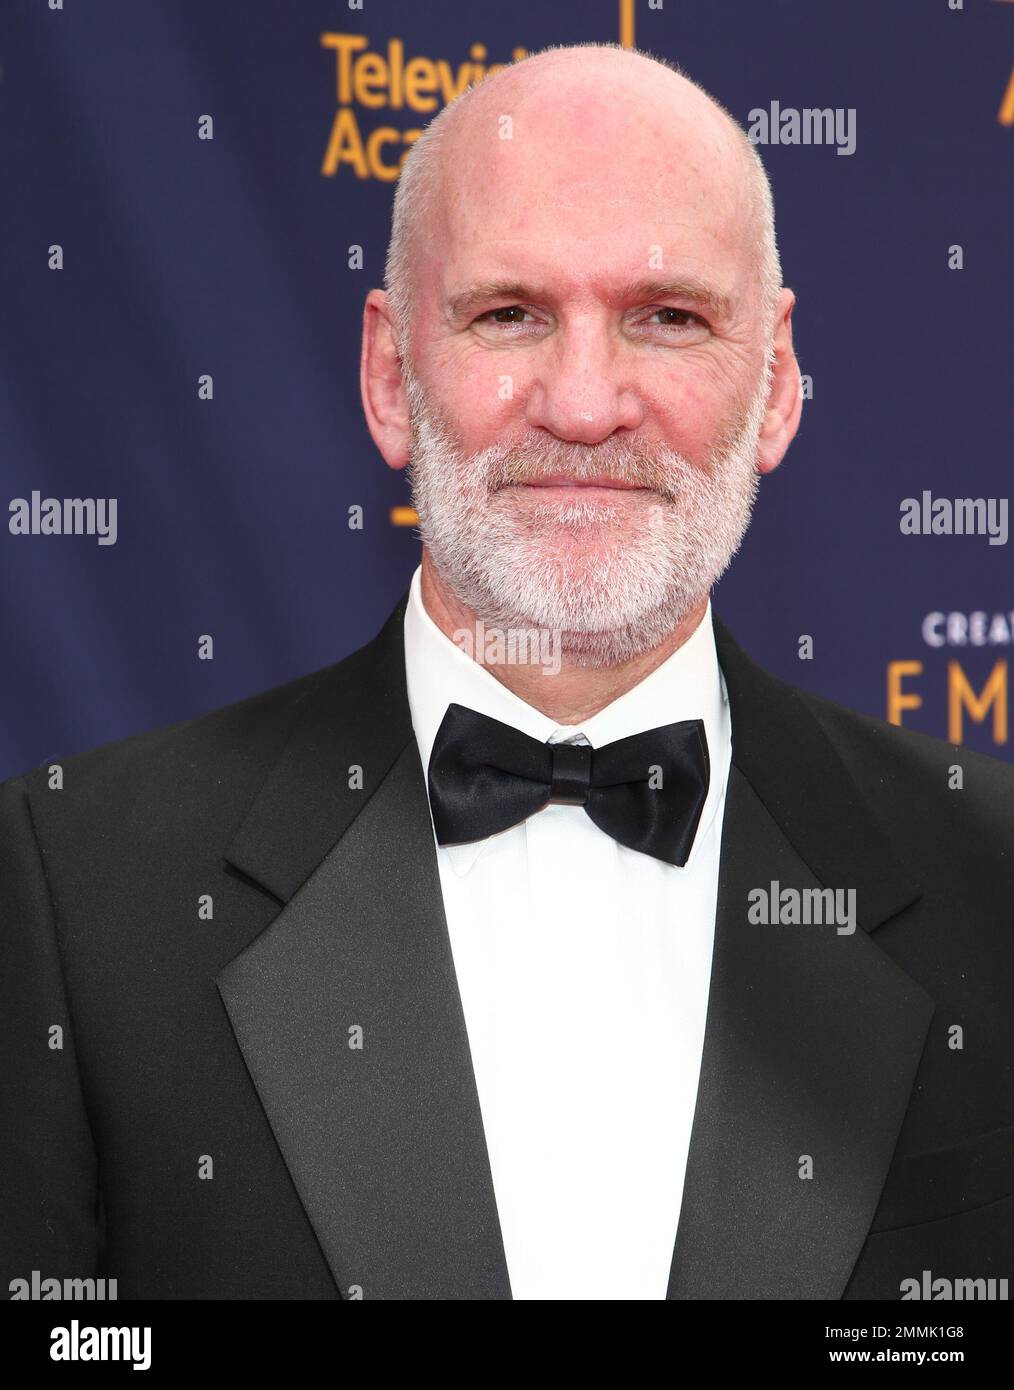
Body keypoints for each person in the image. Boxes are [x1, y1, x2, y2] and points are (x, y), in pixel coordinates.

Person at [2, 42, 1012, 1302]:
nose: (584, 406)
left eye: (668, 318)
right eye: (509, 314)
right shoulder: (75, 883)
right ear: (388, 374)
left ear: (776, 384)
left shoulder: (993, 876)